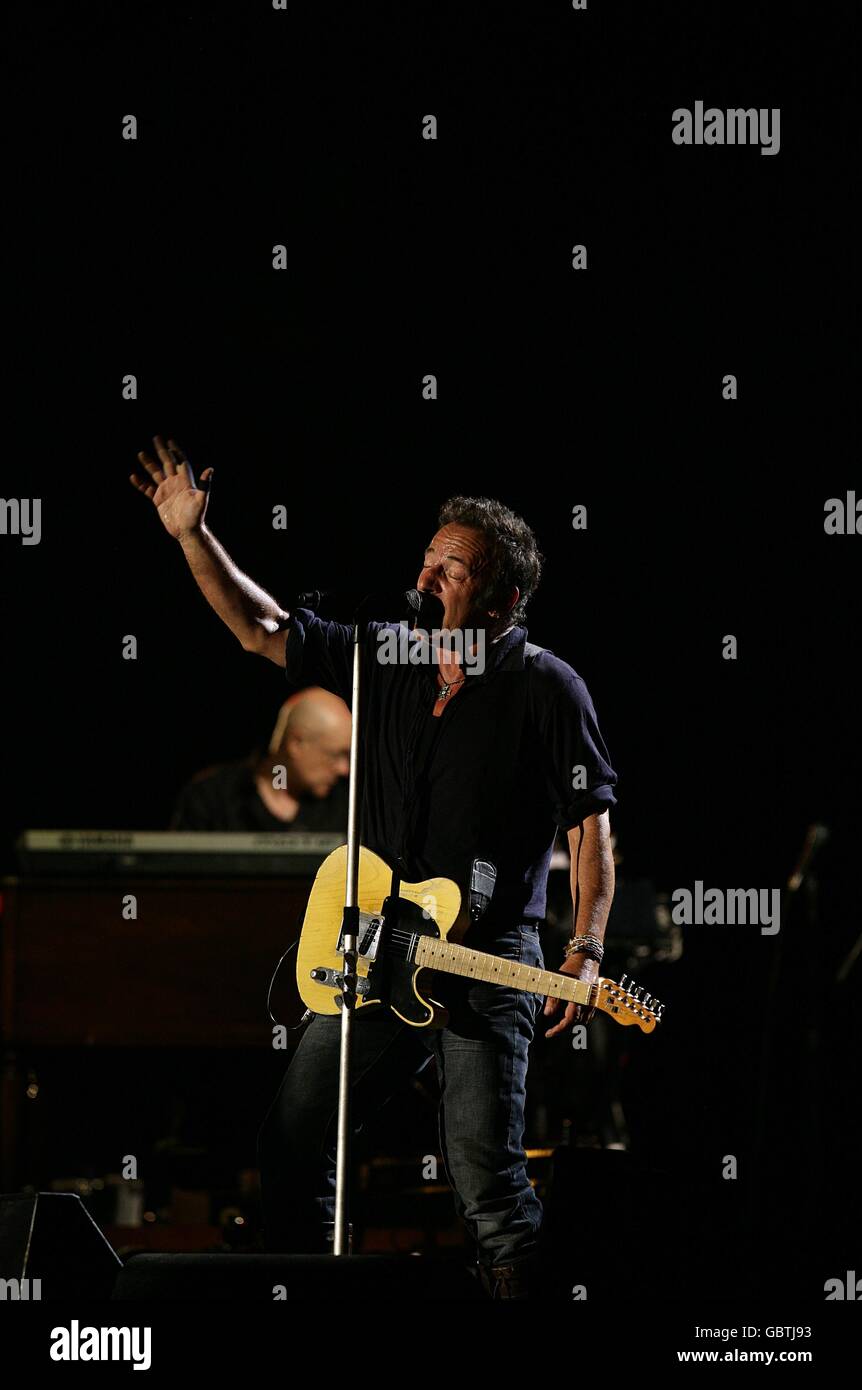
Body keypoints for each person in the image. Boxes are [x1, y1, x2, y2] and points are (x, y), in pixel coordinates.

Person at [129, 435, 618, 1299]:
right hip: (379, 951)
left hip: (487, 963)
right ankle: (315, 1306)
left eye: (453, 571)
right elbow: (262, 629)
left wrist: (585, 950)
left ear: (503, 597)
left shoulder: (547, 688)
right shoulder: (382, 655)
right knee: (291, 1140)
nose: (426, 581)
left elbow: (589, 832)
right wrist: (190, 537)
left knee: (489, 1186)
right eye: (427, 563)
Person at [169, 689, 351, 832]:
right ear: (296, 743)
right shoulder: (213, 797)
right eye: (335, 755)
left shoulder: (347, 806)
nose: (345, 769)